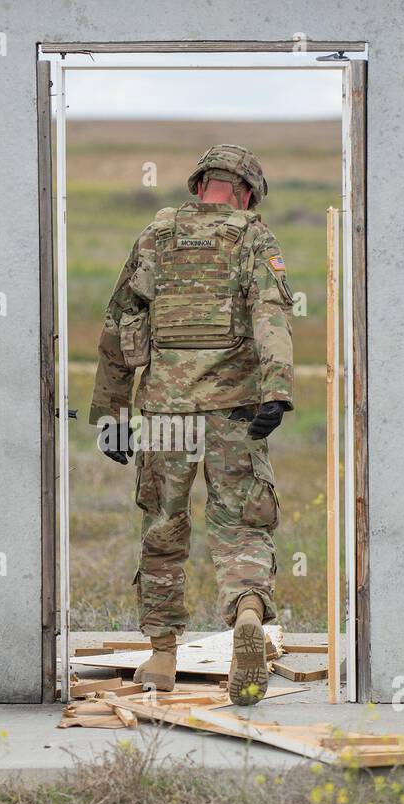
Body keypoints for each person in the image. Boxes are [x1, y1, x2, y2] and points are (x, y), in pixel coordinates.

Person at [88, 144, 295, 705]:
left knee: (163, 528)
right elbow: (271, 313)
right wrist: (276, 391)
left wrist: (112, 413)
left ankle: (161, 655)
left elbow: (118, 325)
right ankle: (248, 617)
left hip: (164, 415)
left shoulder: (155, 235)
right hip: (234, 414)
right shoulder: (252, 236)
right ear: (247, 191)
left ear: (199, 185)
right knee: (242, 526)